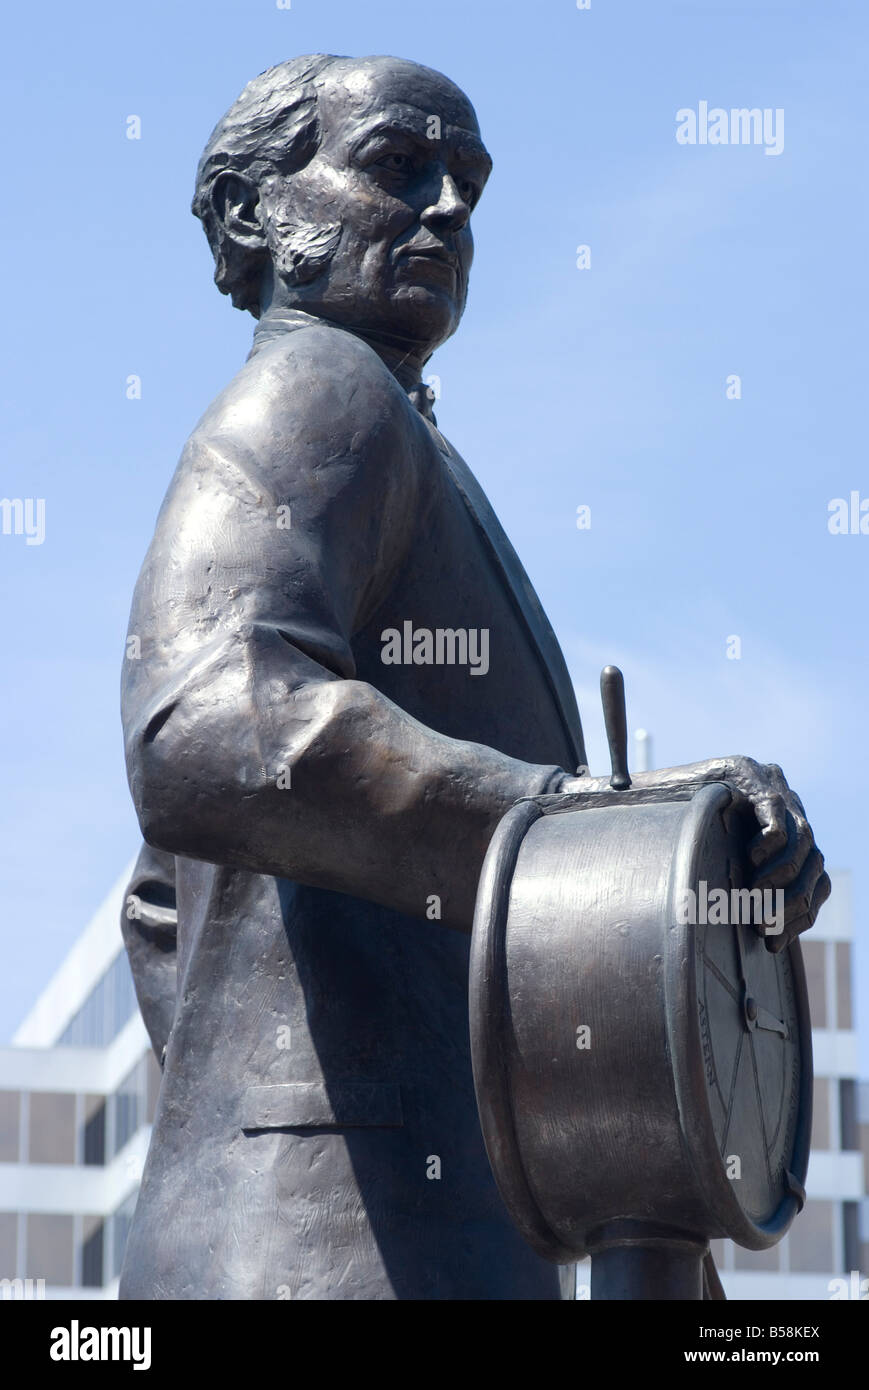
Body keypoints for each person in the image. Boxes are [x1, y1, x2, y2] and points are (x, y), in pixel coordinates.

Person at [118, 54, 829, 1300]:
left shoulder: (397, 436)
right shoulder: (321, 387)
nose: (449, 205)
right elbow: (204, 725)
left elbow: (164, 915)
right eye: (398, 166)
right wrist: (613, 840)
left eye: (469, 183)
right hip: (342, 1234)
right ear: (252, 217)